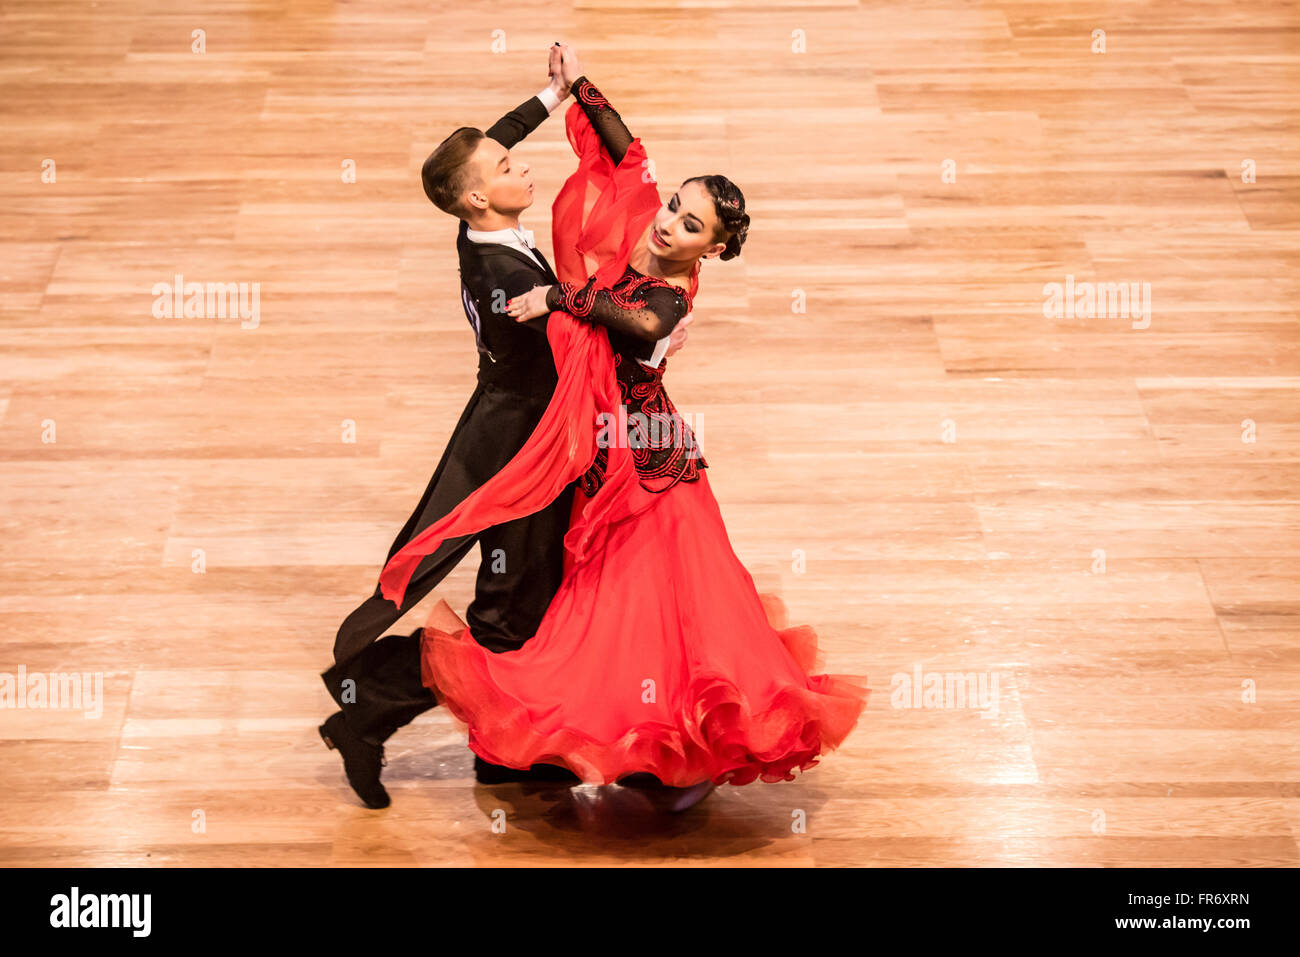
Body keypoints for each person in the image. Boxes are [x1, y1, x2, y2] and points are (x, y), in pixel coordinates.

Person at [378, 49, 869, 806]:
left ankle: (676, 754)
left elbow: (640, 323)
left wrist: (560, 299)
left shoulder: (669, 290)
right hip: (600, 439)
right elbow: (626, 153)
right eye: (673, 205)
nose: (667, 222)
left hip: (642, 453)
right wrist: (576, 87)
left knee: (656, 601)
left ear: (713, 249)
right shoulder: (647, 229)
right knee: (615, 606)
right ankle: (637, 745)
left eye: (690, 224)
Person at [319, 44, 690, 808]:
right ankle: (366, 711)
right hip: (522, 452)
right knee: (505, 619)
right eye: (506, 168)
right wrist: (657, 338)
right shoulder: (512, 280)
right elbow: (595, 342)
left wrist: (554, 95)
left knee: (537, 602)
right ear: (478, 198)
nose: (522, 165)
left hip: (526, 431)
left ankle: (508, 752)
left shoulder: (478, 227)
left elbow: (487, 147)